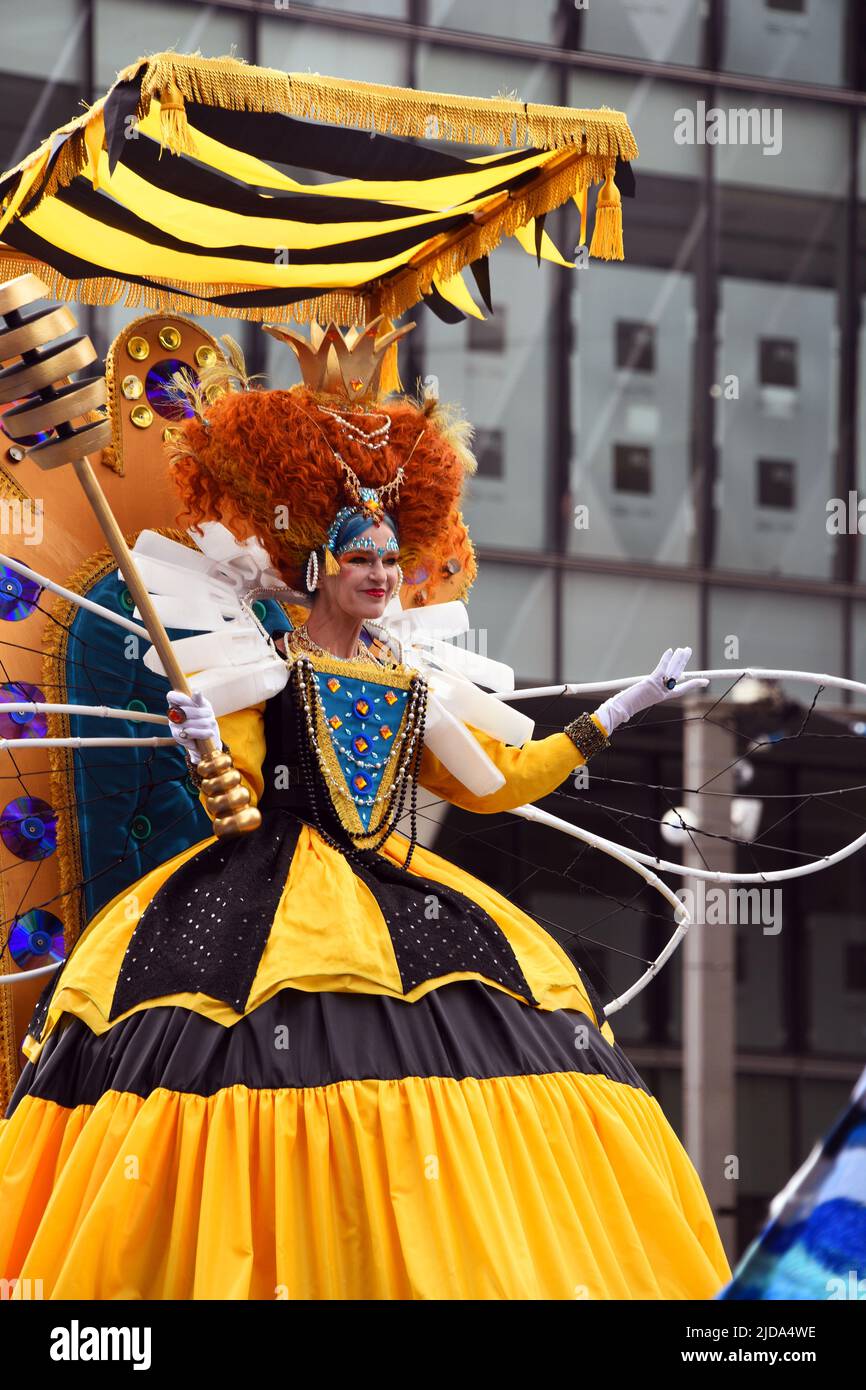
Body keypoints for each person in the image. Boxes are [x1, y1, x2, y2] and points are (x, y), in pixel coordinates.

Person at [0, 322, 731, 1299]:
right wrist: (205, 749)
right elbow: (240, 801)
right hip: (262, 907)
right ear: (313, 567)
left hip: (406, 905)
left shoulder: (414, 678)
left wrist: (615, 712)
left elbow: (495, 783)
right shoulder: (265, 671)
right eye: (361, 557)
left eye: (390, 557)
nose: (381, 575)